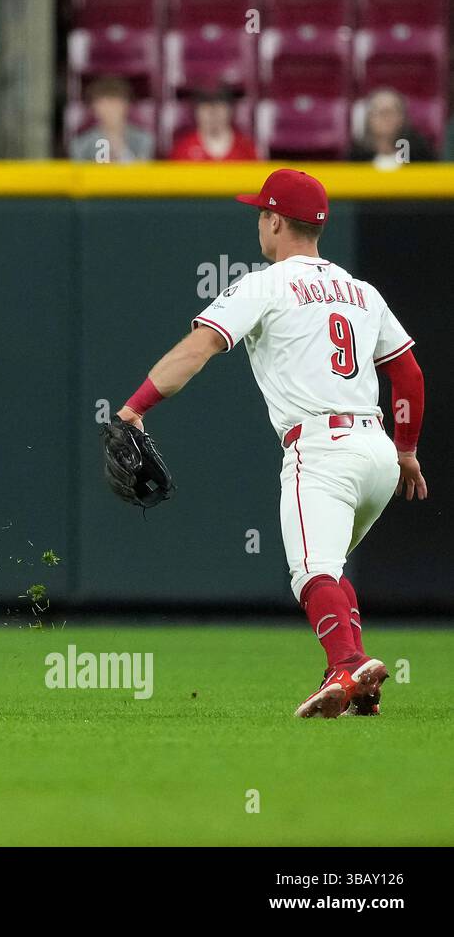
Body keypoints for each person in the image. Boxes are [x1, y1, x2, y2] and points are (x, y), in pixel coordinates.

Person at [112, 169, 427, 719]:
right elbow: (410, 377)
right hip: (376, 450)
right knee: (329, 568)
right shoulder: (362, 291)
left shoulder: (265, 283)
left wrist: (136, 405)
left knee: (311, 573)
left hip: (321, 451)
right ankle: (357, 676)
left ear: (275, 220)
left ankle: (345, 667)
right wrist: (406, 450)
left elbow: (199, 348)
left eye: (262, 212)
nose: (260, 221)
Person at [70, 76, 155, 163]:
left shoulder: (143, 140)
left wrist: (119, 145)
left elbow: (142, 173)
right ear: (94, 108)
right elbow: (79, 174)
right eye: (103, 104)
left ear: (126, 105)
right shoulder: (81, 144)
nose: (109, 110)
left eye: (114, 103)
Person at [349, 87, 436, 167]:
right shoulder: (356, 157)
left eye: (392, 111)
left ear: (403, 117)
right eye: (381, 112)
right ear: (368, 118)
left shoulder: (420, 154)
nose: (387, 118)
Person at [168, 86, 258, 162]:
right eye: (206, 108)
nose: (213, 115)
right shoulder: (182, 149)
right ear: (196, 112)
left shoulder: (246, 149)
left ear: (230, 110)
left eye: (219, 107)